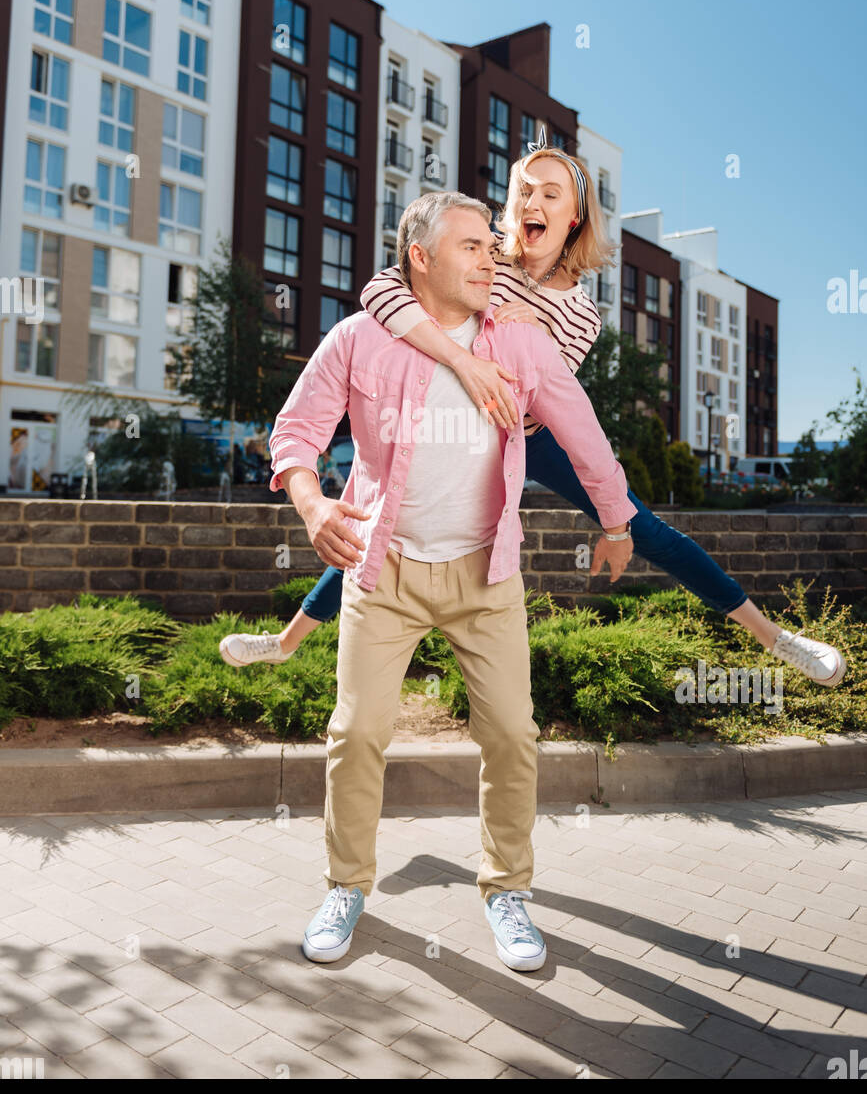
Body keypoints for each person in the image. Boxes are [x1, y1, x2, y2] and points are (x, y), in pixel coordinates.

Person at [222, 132, 846, 689]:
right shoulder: (480, 257)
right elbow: (381, 291)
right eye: (524, 192)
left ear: (574, 217)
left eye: (550, 194)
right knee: (379, 529)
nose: (532, 205)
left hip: (527, 435)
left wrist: (530, 341)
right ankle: (284, 644)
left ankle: (773, 637)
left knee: (644, 527)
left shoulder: (583, 314)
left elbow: (545, 390)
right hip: (451, 422)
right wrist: (467, 350)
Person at [239, 190, 638, 968]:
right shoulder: (359, 339)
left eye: (493, 245)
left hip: (486, 574)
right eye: (470, 246)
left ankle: (506, 892)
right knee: (356, 733)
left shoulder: (520, 347)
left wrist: (617, 521)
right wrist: (313, 500)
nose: (491, 257)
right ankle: (346, 885)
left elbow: (584, 433)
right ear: (418, 258)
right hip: (382, 570)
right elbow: (295, 432)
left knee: (512, 736)